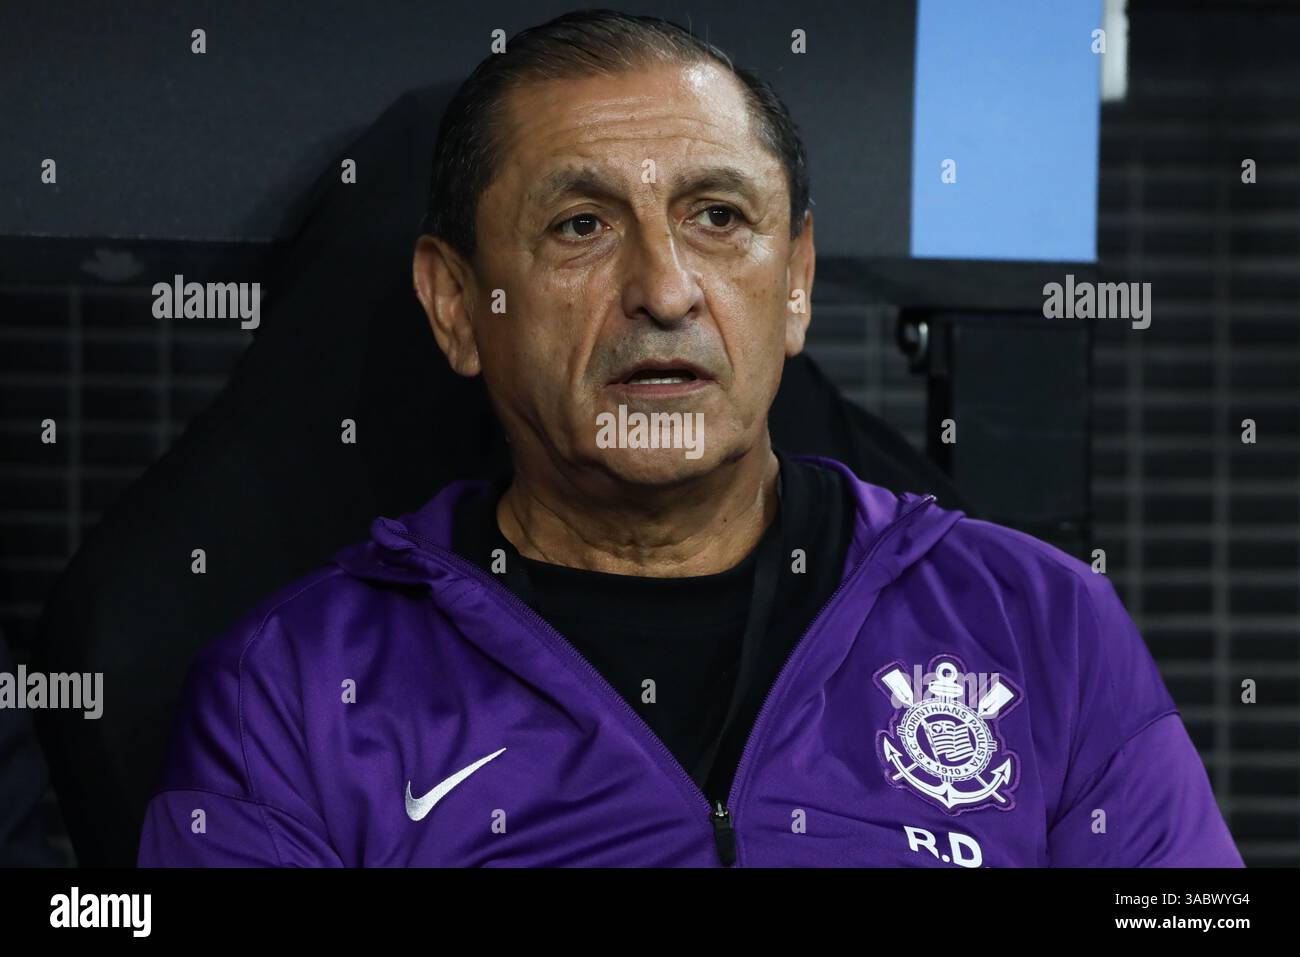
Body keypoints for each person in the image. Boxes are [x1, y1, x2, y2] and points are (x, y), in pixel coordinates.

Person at [138, 9, 1242, 867]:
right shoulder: (295, 688)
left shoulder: (1040, 627)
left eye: (718, 219)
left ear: (796, 283)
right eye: (580, 226)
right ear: (456, 306)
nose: (663, 290)